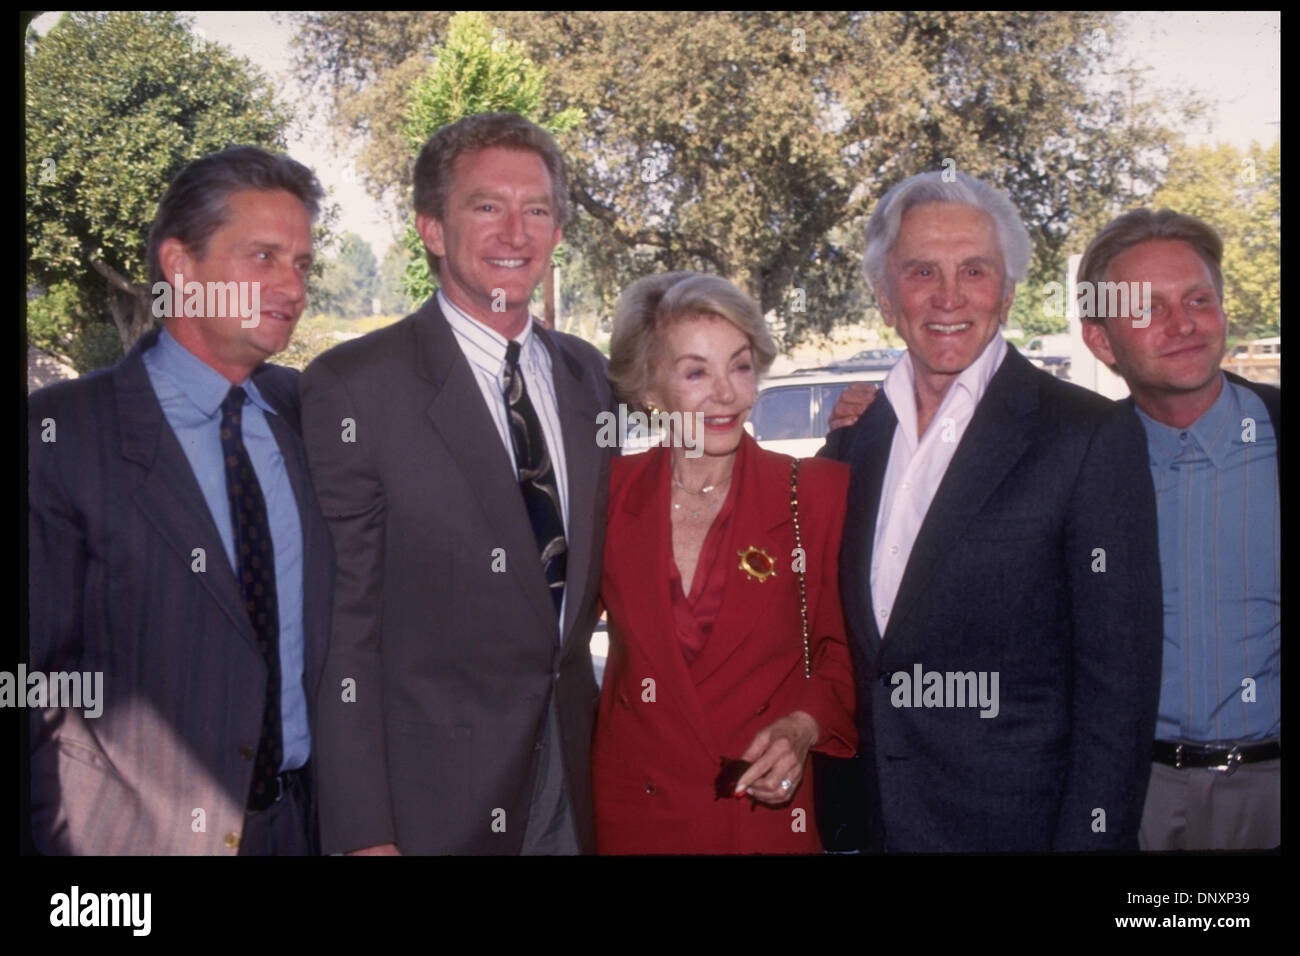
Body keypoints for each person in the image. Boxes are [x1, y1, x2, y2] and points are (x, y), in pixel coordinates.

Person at [820, 170, 1162, 851]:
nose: (948, 296)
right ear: (886, 296)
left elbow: (1118, 692)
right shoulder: (857, 439)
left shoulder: (1087, 434)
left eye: (974, 270)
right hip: (880, 827)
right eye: (921, 271)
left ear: (1006, 293)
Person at [301, 112, 614, 855]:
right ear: (433, 230)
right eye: (486, 206)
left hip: (577, 783)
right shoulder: (356, 388)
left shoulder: (588, 375)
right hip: (430, 812)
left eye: (536, 209)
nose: (516, 232)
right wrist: (363, 833)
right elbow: (344, 633)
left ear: (558, 233)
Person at [28, 146, 333, 855]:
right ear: (180, 266)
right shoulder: (63, 435)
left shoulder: (309, 415)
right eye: (263, 257)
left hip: (302, 828)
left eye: (302, 263)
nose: (291, 285)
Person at [593, 272, 857, 853]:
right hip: (635, 818)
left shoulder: (813, 495)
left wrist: (802, 726)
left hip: (761, 819)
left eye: (740, 367)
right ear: (649, 388)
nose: (728, 393)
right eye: (696, 372)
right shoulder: (607, 499)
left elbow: (849, 653)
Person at [1077, 209, 1280, 850]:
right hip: (1131, 799)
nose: (1183, 324)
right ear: (1103, 342)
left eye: (1198, 299)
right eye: (1149, 308)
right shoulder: (1074, 464)